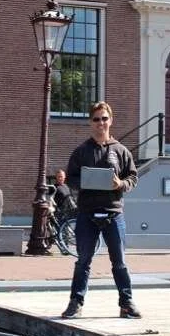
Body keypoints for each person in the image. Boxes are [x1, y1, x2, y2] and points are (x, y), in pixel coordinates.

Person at [60, 101, 141, 319]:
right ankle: (75, 303)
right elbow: (71, 178)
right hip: (87, 213)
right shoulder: (81, 151)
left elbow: (133, 177)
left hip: (114, 213)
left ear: (110, 120)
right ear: (90, 122)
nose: (100, 123)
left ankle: (127, 303)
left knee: (120, 261)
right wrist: (84, 182)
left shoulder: (121, 151)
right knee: (83, 260)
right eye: (96, 119)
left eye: (104, 118)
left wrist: (120, 185)